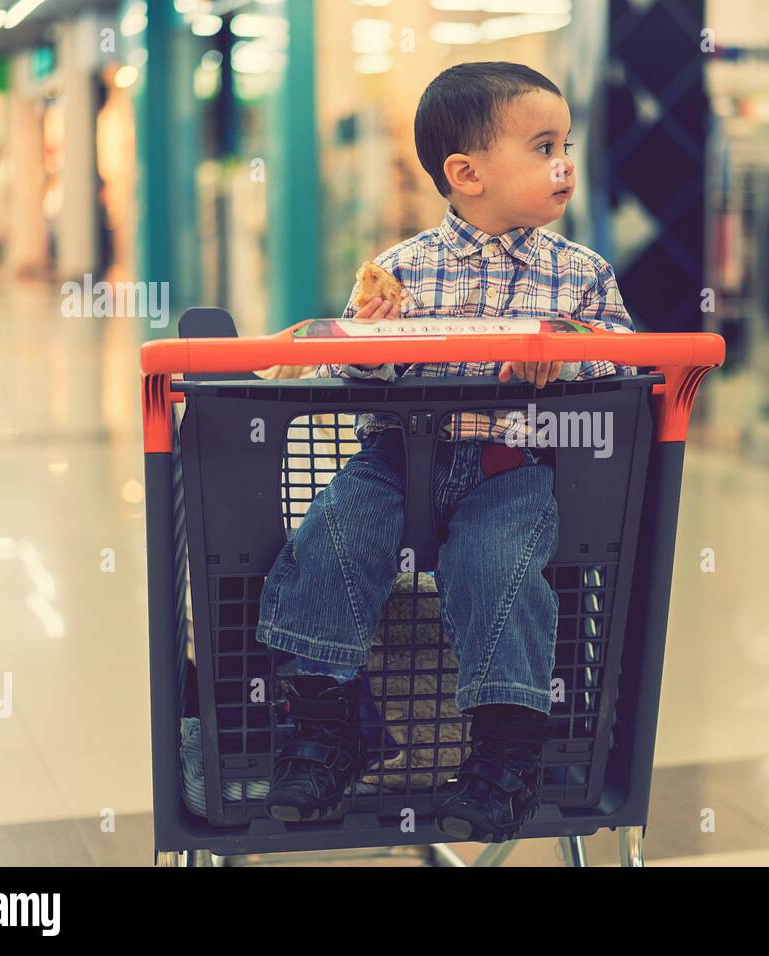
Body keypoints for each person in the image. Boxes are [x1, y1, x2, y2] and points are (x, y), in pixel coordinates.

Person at [254, 61, 636, 842]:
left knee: (500, 569)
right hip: (395, 455)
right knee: (328, 539)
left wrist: (568, 358)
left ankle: (504, 758)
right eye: (540, 146)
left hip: (510, 465)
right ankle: (332, 729)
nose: (564, 164)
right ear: (466, 173)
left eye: (565, 143)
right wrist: (369, 332)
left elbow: (628, 359)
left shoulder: (581, 275)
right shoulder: (400, 270)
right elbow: (346, 368)